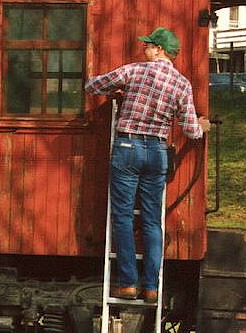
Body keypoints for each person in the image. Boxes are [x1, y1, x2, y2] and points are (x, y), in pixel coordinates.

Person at [85, 27, 211, 302]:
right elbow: (191, 131)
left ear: (159, 50)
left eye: (148, 45)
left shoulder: (134, 71)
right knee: (153, 220)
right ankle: (151, 286)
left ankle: (128, 283)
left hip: (128, 148)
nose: (144, 49)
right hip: (157, 151)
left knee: (123, 217)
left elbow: (92, 86)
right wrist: (202, 126)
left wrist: (118, 90)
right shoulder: (182, 84)